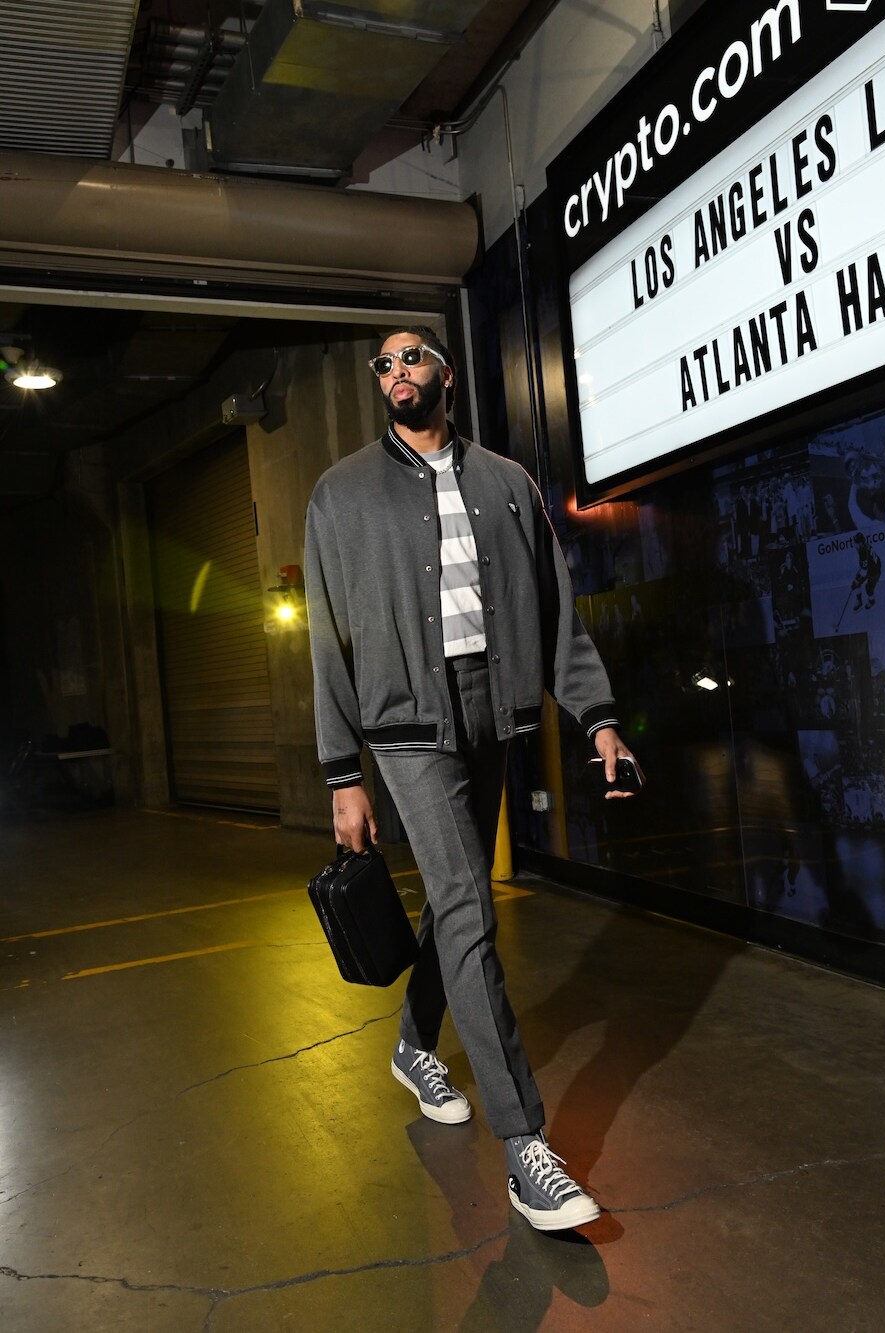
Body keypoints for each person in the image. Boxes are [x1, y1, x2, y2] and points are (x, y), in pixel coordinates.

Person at [304, 326, 643, 1233]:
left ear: (445, 374)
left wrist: (598, 717)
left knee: (452, 901)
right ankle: (527, 1148)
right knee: (469, 909)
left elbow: (557, 610)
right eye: (382, 362)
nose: (396, 371)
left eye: (412, 357)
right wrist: (344, 772)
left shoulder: (505, 482)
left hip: (492, 709)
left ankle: (417, 1046)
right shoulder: (340, 494)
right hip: (405, 724)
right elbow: (327, 640)